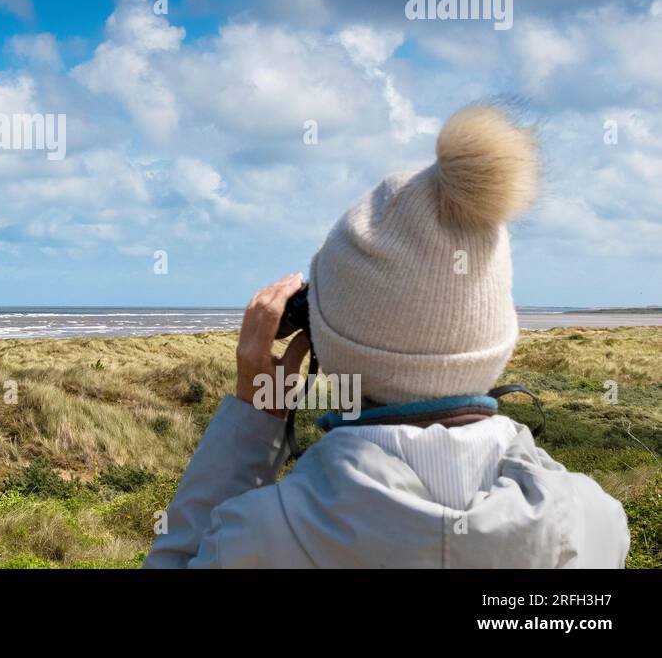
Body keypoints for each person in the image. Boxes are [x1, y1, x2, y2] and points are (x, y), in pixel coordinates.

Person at [144, 105, 630, 568]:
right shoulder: (595, 522)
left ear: (320, 339)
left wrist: (255, 416)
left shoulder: (260, 535)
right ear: (499, 332)